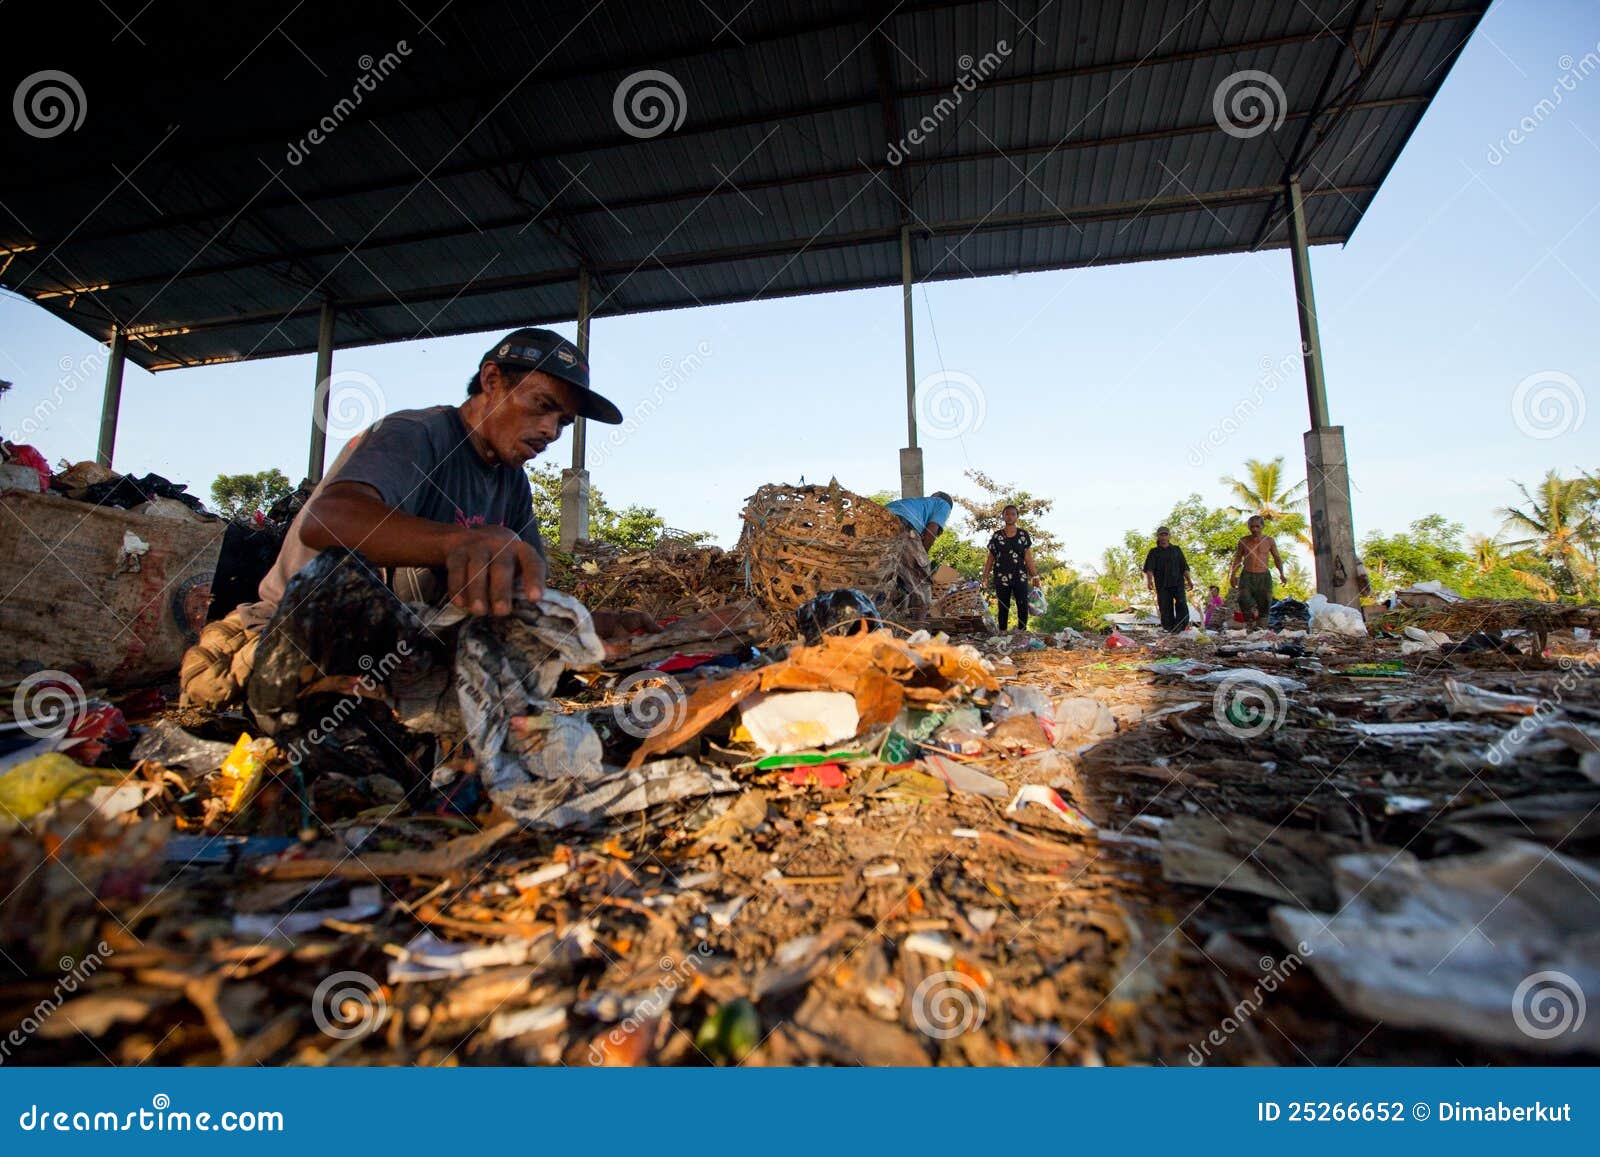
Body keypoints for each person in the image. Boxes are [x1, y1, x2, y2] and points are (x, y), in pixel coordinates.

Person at [181, 327, 656, 710]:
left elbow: (521, 599)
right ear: (492, 381)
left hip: (402, 646)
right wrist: (453, 543)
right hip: (292, 632)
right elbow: (325, 521)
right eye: (543, 406)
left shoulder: (511, 483)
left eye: (564, 423)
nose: (551, 431)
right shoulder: (413, 435)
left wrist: (594, 622)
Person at [982, 503, 1040, 631]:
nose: (1009, 516)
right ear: (1002, 516)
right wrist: (985, 577)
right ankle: (1002, 632)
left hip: (1020, 575)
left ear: (1017, 517)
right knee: (1003, 605)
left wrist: (1034, 574)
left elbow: (1027, 556)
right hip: (1001, 575)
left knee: (1022, 604)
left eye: (1013, 514)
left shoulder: (1023, 535)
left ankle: (1022, 632)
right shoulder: (997, 536)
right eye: (1006, 514)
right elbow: (990, 557)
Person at [1228, 515, 1287, 627]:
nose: (1254, 529)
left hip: (1264, 576)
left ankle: (1261, 630)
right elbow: (1238, 558)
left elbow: (1277, 558)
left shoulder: (1269, 541)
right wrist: (1233, 575)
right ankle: (1250, 624)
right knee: (1243, 599)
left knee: (1265, 603)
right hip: (1247, 575)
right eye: (1252, 526)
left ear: (1262, 527)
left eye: (1257, 526)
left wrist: (1281, 574)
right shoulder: (1243, 541)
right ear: (1248, 527)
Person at [1142, 525, 1194, 632]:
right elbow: (1149, 568)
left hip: (1178, 582)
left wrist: (1189, 581)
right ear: (1158, 537)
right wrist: (1149, 581)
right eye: (1162, 534)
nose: (1164, 537)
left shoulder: (1176, 550)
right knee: (1165, 607)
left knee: (1181, 603)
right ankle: (1169, 629)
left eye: (1166, 534)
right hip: (1162, 584)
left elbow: (1184, 566)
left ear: (1169, 536)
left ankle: (1181, 627)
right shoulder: (1154, 552)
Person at [885, 491, 954, 551]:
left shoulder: (920, 502)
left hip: (883, 513)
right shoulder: (945, 504)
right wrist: (924, 553)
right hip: (904, 521)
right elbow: (932, 528)